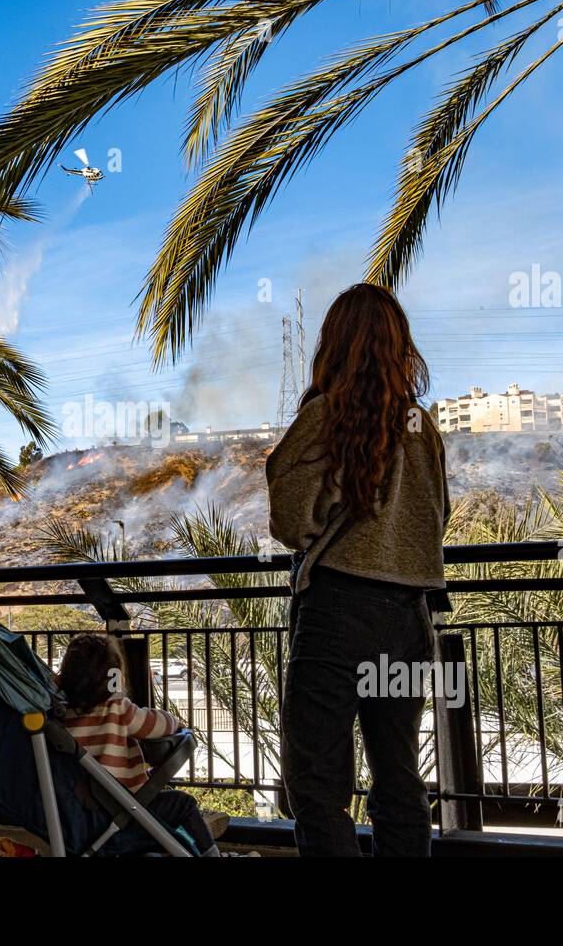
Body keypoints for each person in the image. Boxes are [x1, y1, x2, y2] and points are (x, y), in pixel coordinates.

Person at [267, 282, 450, 857]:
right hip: (409, 616)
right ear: (400, 347)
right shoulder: (422, 426)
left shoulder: (325, 414)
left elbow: (292, 521)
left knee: (316, 784)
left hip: (338, 615)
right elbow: (435, 518)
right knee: (398, 776)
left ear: (334, 343)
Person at [56, 633, 224, 856]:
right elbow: (156, 725)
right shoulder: (117, 708)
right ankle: (212, 854)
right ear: (114, 677)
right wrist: (175, 720)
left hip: (83, 820)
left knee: (159, 812)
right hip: (123, 817)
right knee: (181, 804)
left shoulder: (59, 718)